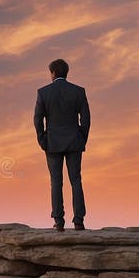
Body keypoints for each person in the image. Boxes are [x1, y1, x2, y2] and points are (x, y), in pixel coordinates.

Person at [33, 58, 90, 231]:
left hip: (52, 143)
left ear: (53, 73)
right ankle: (78, 220)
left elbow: (37, 119)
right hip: (74, 141)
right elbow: (86, 119)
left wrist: (43, 140)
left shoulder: (43, 92)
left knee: (56, 182)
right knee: (76, 180)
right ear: (66, 72)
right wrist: (82, 137)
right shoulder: (78, 91)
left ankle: (59, 221)